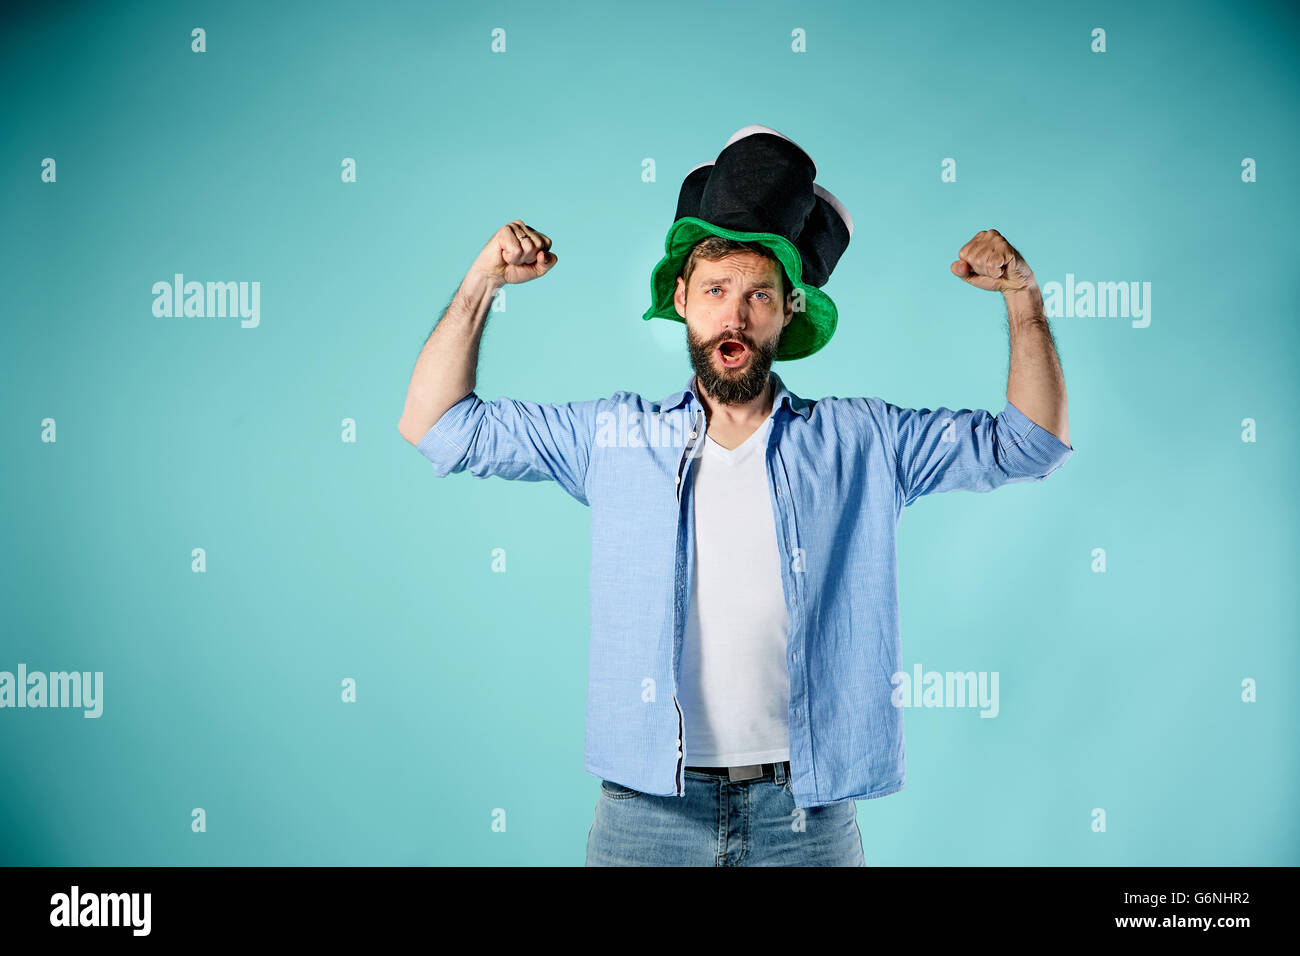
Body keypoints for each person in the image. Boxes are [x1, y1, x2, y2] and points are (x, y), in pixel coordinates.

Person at [397, 126, 1072, 866]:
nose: (736, 314)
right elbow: (437, 425)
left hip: (805, 820)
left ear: (790, 310)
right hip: (646, 816)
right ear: (683, 301)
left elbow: (1027, 445)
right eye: (716, 291)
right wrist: (481, 283)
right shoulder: (613, 437)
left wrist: (1022, 298)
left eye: (758, 295)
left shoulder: (862, 441)